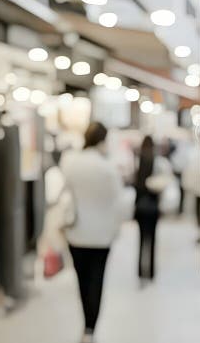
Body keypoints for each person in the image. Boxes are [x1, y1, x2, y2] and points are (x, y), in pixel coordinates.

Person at [60, 122, 127, 343]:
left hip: (76, 231)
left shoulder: (70, 162)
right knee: (97, 281)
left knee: (82, 280)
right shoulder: (107, 168)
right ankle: (90, 327)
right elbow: (118, 202)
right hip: (102, 235)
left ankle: (86, 321)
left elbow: (64, 192)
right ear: (103, 140)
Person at [133, 136, 173, 284]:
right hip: (153, 207)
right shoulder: (159, 163)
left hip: (140, 207)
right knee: (152, 240)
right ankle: (150, 272)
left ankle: (140, 272)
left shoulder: (137, 162)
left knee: (141, 240)